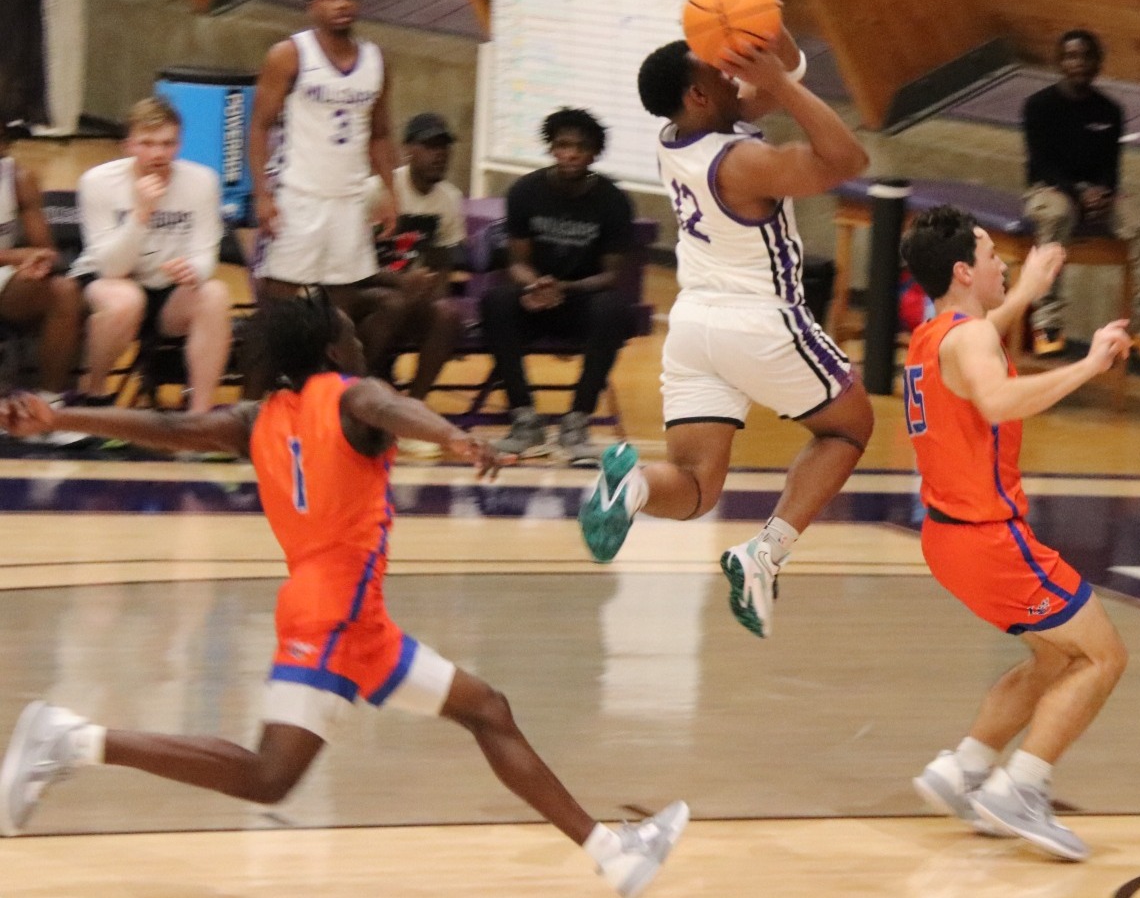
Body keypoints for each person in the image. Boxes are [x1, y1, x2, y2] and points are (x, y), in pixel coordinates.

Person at [0, 294, 688, 896]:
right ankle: (72, 739)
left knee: (487, 710)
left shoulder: (257, 416)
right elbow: (393, 405)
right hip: (334, 617)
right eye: (350, 331)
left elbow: (175, 430)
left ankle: (613, 855)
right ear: (334, 349)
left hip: (350, 620)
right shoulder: (351, 393)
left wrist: (61, 418)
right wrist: (451, 434)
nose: (359, 338)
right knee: (270, 778)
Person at [578, 27, 869, 640]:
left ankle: (629, 488)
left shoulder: (674, 135)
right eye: (713, 69)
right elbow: (848, 161)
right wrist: (782, 83)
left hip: (691, 326)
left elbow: (780, 73)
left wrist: (771, 38)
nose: (725, 71)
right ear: (698, 95)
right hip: (758, 321)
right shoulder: (743, 162)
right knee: (848, 427)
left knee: (695, 486)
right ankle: (764, 552)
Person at [897, 206, 1130, 862]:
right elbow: (998, 399)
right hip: (991, 539)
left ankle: (964, 769)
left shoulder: (933, 332)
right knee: (1102, 658)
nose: (1005, 263)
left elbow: (982, 341)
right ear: (966, 271)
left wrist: (1026, 294)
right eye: (995, 257)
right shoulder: (970, 341)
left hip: (946, 539)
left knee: (1053, 657)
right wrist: (1090, 364)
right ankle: (1021, 788)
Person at [248, 0, 407, 385]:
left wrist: (389, 191)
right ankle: (253, 407)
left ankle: (325, 403)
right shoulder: (289, 54)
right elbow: (260, 126)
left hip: (349, 202)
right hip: (297, 196)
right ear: (312, 5)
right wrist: (262, 195)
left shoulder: (376, 59)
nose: (342, 5)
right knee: (278, 307)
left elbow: (380, 131)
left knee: (338, 313)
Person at [482, 108, 635, 465]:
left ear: (593, 154)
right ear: (552, 148)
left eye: (580, 147)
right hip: (536, 297)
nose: (570, 154)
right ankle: (524, 420)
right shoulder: (525, 191)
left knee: (613, 309)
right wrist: (536, 285)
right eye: (563, 145)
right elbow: (517, 262)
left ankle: (577, 422)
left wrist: (565, 287)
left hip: (582, 300)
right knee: (497, 302)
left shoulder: (612, 200)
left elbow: (611, 275)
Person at [69, 97, 232, 415]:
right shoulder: (98, 182)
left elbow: (204, 251)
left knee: (215, 294)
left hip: (168, 290)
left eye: (167, 143)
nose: (158, 153)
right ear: (128, 144)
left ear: (180, 143)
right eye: (147, 143)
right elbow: (110, 267)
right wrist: (141, 214)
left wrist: (193, 271)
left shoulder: (202, 181)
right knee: (125, 301)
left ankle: (199, 417)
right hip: (110, 280)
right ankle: (95, 394)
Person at [1021, 28, 1140, 364]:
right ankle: (1047, 323)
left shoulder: (1109, 110)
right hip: (1052, 189)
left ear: (1098, 63)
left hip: (1099, 193)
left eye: (1086, 56)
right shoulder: (1039, 106)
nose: (1079, 63)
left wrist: (1102, 191)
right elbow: (1041, 164)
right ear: (1061, 62)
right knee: (1057, 214)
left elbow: (1111, 166)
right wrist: (1078, 192)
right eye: (1071, 56)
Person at [362, 112, 467, 458]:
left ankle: (413, 413)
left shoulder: (449, 199)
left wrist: (427, 296)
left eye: (444, 148)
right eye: (430, 146)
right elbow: (351, 266)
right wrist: (398, 283)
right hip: (367, 293)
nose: (440, 154)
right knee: (392, 304)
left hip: (410, 295)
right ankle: (370, 404)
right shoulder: (377, 191)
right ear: (408, 150)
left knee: (448, 313)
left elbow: (442, 267)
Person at [0, 121, 82, 417]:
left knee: (64, 291)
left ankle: (49, 404)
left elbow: (44, 249)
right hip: (7, 263)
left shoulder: (18, 178)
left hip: (5, 275)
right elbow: (21, 254)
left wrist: (36, 263)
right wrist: (17, 257)